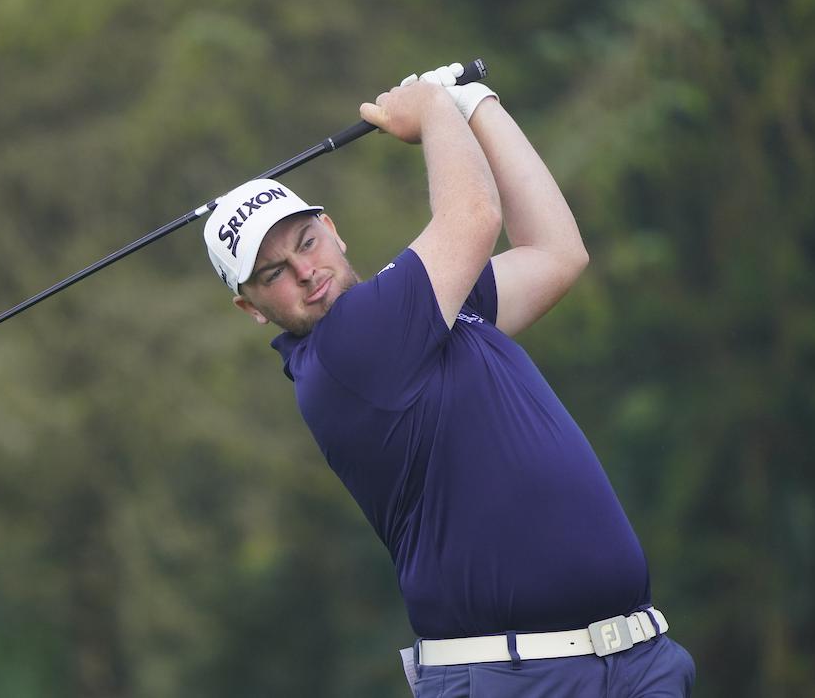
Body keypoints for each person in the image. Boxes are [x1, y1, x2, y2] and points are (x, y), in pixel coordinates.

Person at [202, 64, 696, 697]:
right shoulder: (348, 347)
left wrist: (477, 102)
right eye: (272, 274)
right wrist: (436, 110)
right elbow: (473, 216)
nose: (305, 271)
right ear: (251, 308)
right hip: (515, 678)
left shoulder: (422, 318)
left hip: (635, 660)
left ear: (332, 230)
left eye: (306, 241)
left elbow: (555, 254)